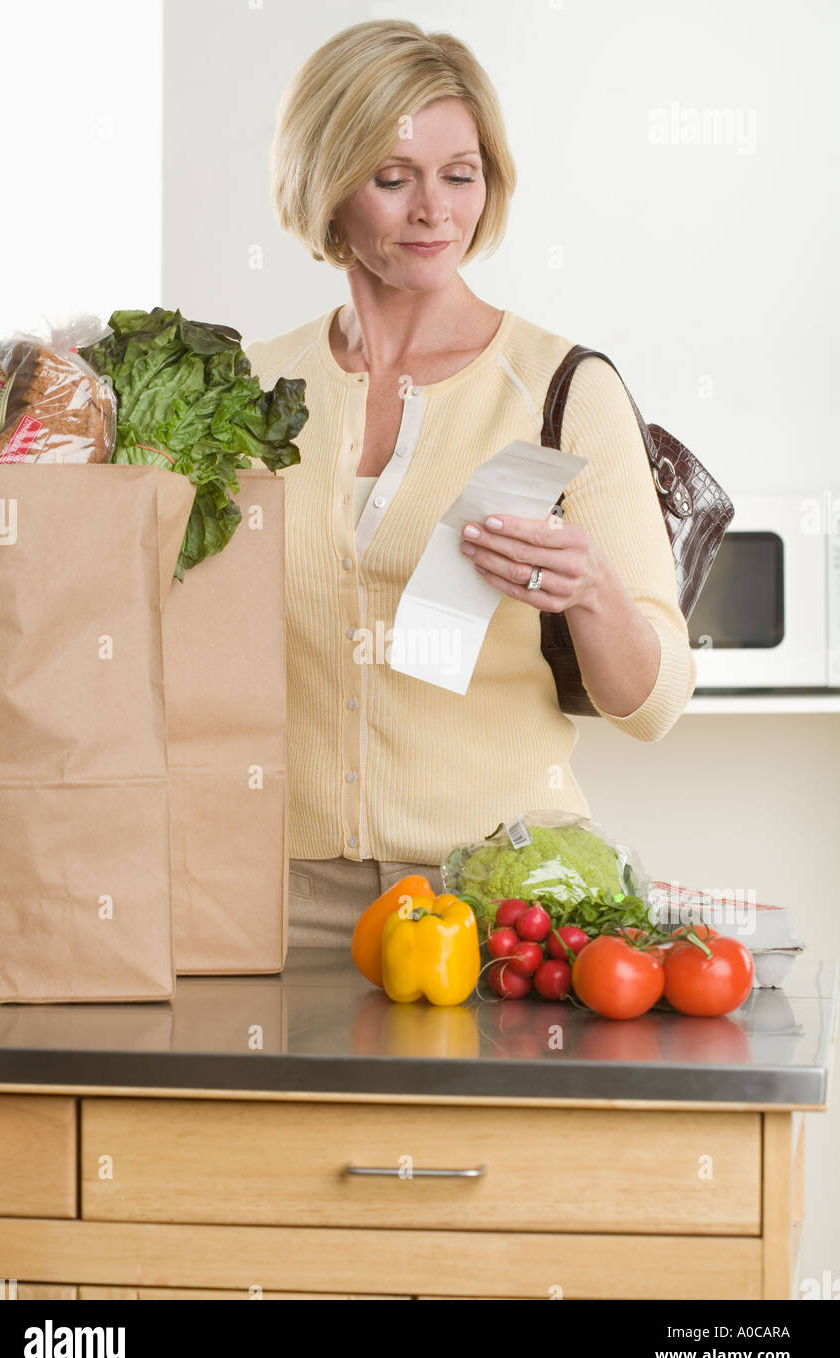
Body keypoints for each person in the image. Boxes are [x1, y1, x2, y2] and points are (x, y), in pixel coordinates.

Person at [246, 20, 697, 948]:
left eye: (461, 174)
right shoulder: (249, 391)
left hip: (505, 893)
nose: (435, 212)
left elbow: (653, 702)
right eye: (393, 176)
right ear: (327, 185)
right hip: (276, 893)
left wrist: (591, 592)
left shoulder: (562, 387)